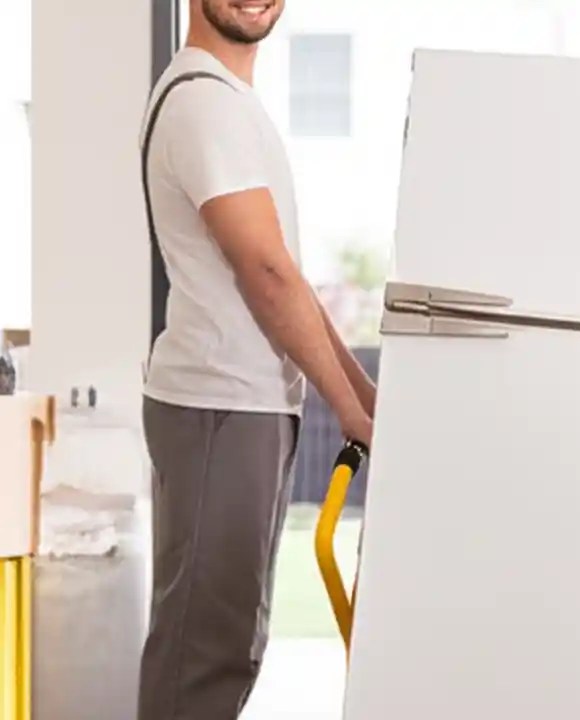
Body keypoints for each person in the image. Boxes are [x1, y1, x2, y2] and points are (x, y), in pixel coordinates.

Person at [136, 1, 376, 716]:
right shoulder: (204, 103)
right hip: (220, 406)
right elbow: (265, 273)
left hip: (240, 405)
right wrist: (349, 411)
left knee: (227, 643)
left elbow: (287, 277)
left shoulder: (229, 101)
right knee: (202, 659)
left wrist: (364, 395)